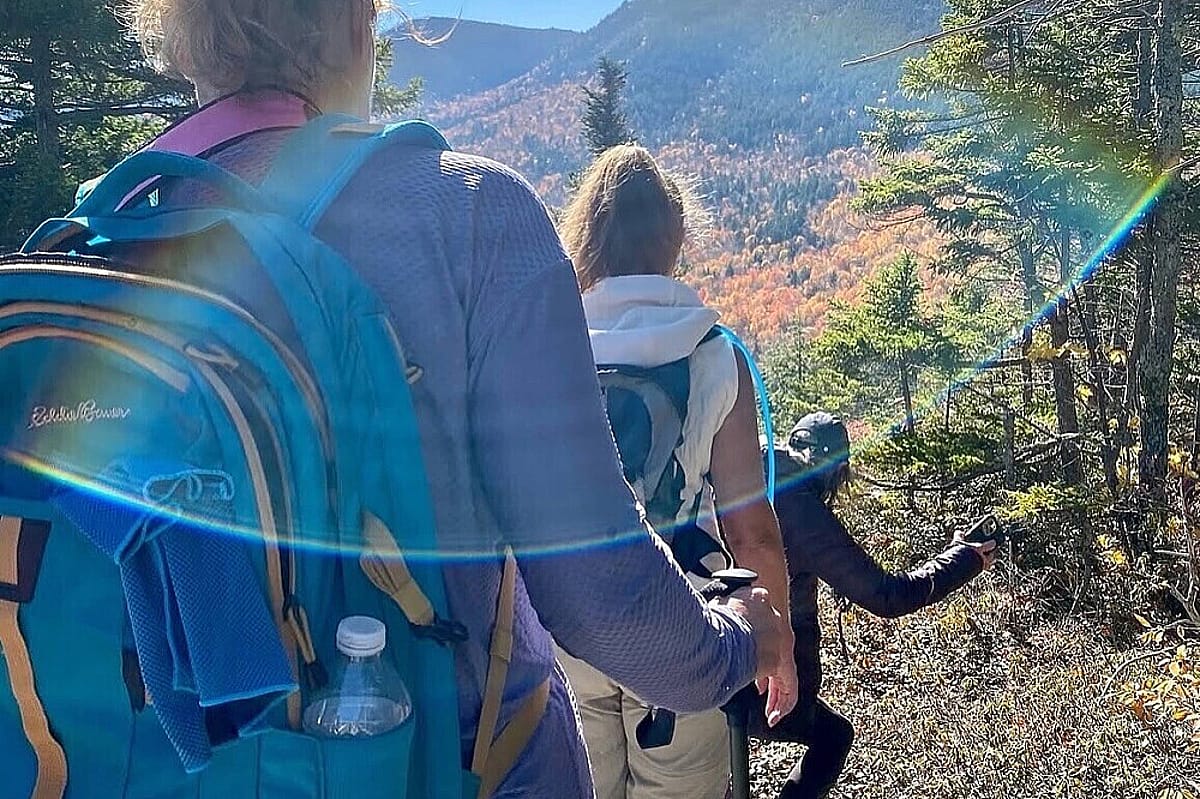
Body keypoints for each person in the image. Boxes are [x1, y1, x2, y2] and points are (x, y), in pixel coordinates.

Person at [77, 2, 788, 796]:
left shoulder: (95, 245)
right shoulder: (469, 215)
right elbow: (599, 595)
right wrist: (733, 643)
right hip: (454, 766)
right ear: (351, 22)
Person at [554, 144, 798, 799]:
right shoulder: (716, 355)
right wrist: (778, 641)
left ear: (586, 235)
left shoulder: (549, 343)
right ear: (674, 237)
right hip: (687, 623)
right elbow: (752, 533)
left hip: (568, 623)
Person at [752, 411, 998, 799]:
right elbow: (886, 595)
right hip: (766, 681)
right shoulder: (799, 506)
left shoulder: (748, 471)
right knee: (833, 736)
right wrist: (963, 559)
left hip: (698, 659)